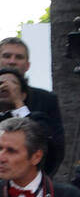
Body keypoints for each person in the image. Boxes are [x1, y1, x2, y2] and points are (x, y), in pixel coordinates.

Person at [0, 37, 64, 175]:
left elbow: (55, 149)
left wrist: (19, 104)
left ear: (27, 65)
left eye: (19, 57)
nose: (12, 61)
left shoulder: (46, 100)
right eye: (6, 56)